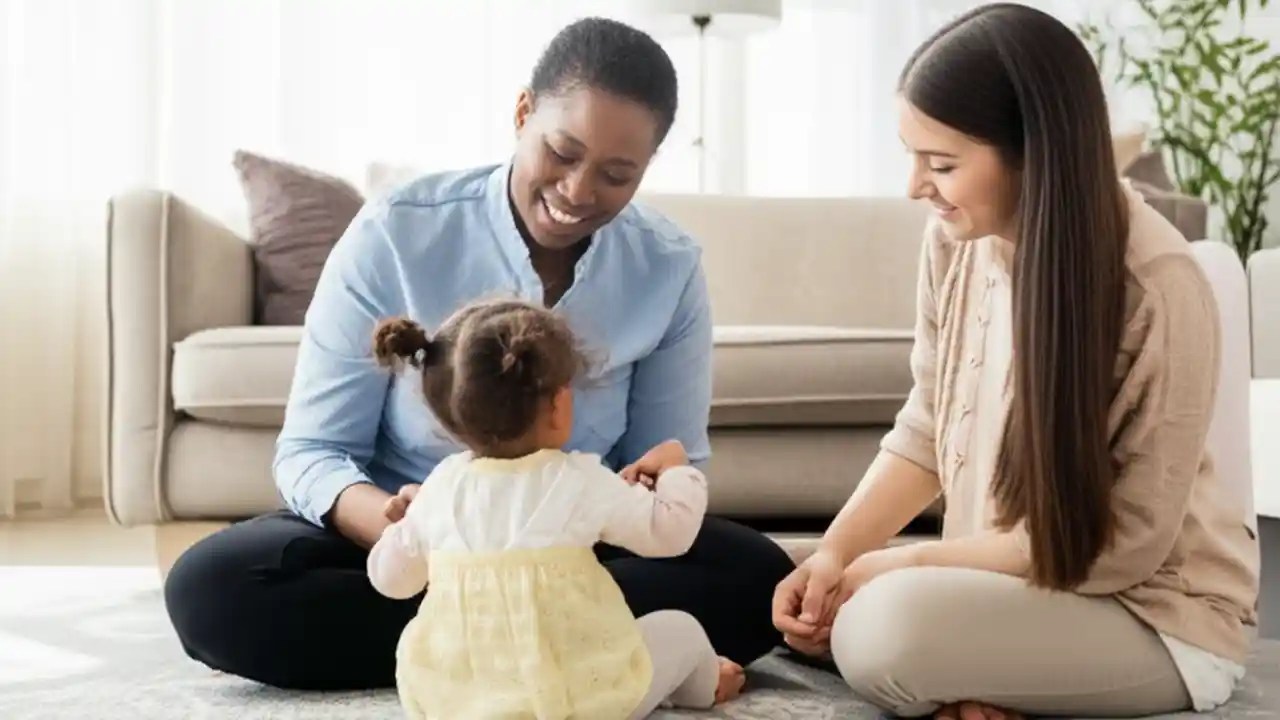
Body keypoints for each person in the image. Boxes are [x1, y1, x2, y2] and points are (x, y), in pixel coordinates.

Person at [163, 16, 794, 691]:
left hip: (576, 555)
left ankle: (464, 656)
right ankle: (572, 659)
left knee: (760, 583)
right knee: (215, 589)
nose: (579, 191)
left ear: (646, 168)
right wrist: (412, 531)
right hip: (410, 546)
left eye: (616, 174)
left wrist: (617, 503)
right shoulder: (396, 232)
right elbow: (312, 452)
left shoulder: (667, 268)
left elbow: (662, 463)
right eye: (562, 151)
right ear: (523, 113)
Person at [771, 4, 1260, 720]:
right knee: (795, 590)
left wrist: (906, 562)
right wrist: (834, 556)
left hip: (1155, 619)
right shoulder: (953, 244)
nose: (915, 186)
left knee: (882, 629)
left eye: (940, 164)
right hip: (1022, 593)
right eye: (912, 156)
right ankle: (1005, 679)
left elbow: (1123, 551)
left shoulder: (1156, 284)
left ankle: (1002, 675)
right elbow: (925, 430)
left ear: (1034, 153)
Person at [364, 302, 745, 718]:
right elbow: (671, 535)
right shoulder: (580, 478)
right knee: (681, 629)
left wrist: (406, 525)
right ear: (559, 403)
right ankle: (706, 683)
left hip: (459, 705)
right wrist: (675, 468)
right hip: (577, 703)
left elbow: (390, 581)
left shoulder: (438, 489)